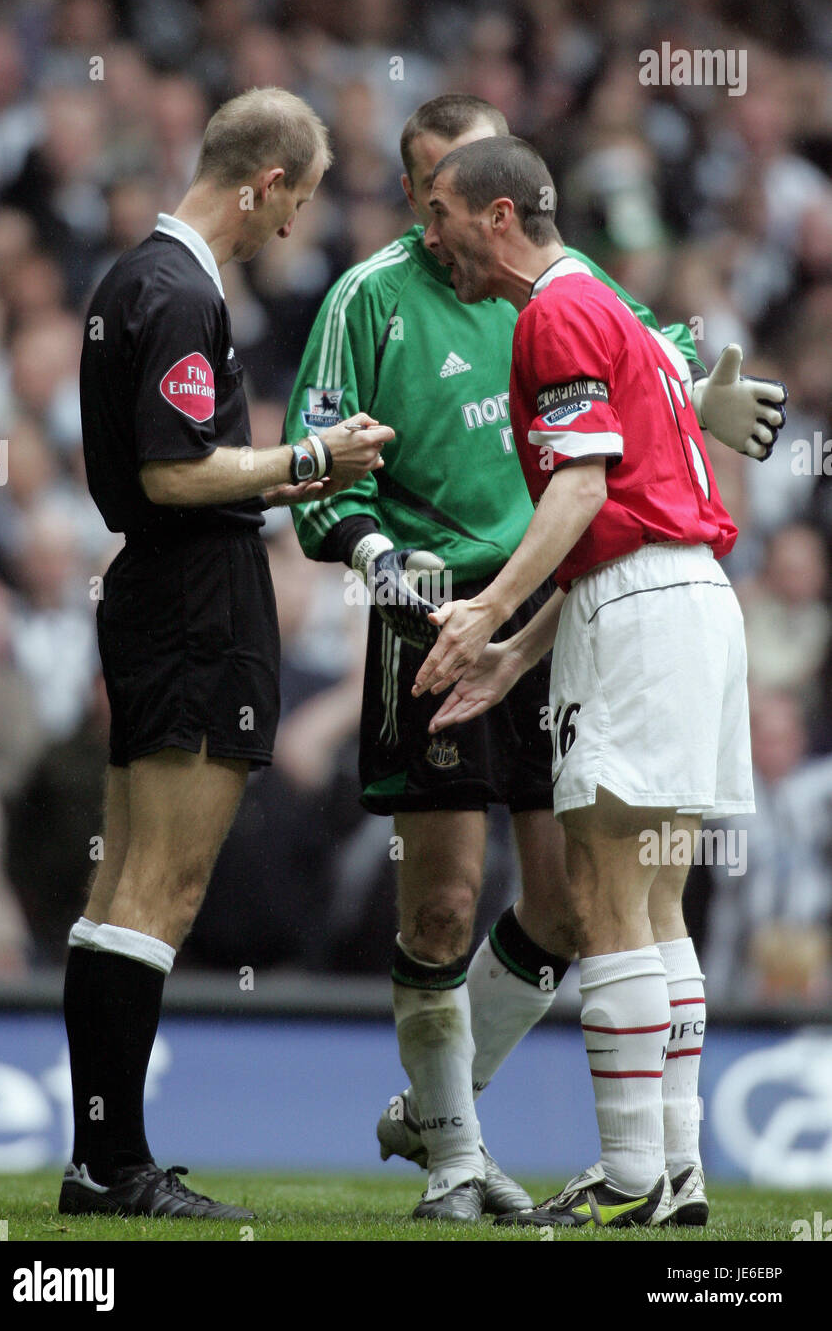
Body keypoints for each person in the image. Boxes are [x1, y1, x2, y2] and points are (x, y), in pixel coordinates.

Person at [283, 96, 785, 1222]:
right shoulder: (379, 295)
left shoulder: (561, 307)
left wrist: (501, 612)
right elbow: (324, 473)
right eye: (425, 195)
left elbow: (586, 480)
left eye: (454, 203)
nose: (435, 224)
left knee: (595, 901)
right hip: (511, 603)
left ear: (494, 207)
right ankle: (532, 1155)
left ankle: (625, 1171)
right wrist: (433, 594)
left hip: (583, 598)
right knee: (512, 902)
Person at [64, 86, 393, 1220]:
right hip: (193, 600)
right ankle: (111, 1165)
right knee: (159, 884)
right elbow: (173, 471)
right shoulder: (177, 289)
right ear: (259, 183)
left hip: (163, 597)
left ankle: (97, 1156)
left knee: (122, 888)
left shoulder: (131, 281)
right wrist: (311, 462)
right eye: (292, 200)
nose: (291, 227)